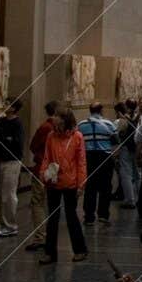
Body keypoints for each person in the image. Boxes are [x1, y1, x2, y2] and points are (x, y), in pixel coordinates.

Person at [39, 107, 87, 264]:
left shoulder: (77, 137)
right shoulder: (51, 136)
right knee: (52, 217)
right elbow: (46, 157)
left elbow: (81, 162)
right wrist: (43, 175)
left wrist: (81, 184)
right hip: (53, 181)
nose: (55, 122)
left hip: (71, 182)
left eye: (58, 120)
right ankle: (50, 253)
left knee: (71, 216)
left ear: (65, 121)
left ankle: (80, 250)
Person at [79, 102, 118, 225]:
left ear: (90, 110)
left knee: (90, 187)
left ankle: (89, 217)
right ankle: (103, 215)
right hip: (105, 157)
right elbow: (115, 141)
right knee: (105, 187)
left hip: (88, 157)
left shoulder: (81, 125)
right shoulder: (108, 124)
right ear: (101, 111)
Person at [26, 100, 56, 252]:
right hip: (55, 169)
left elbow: (33, 146)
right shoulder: (62, 128)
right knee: (50, 201)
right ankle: (49, 235)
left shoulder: (45, 127)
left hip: (42, 168)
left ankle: (40, 236)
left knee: (37, 201)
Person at [0, 98, 24, 237]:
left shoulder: (17, 124)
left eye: (7, 104)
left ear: (14, 108)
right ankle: (1, 224)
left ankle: (10, 225)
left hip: (12, 161)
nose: (4, 106)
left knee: (8, 194)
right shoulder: (0, 122)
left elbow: (16, 143)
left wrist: (5, 139)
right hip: (0, 160)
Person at [114, 101, 138, 209]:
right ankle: (138, 197)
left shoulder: (123, 120)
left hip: (126, 148)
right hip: (135, 148)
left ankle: (130, 199)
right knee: (136, 174)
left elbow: (119, 134)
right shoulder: (138, 118)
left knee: (126, 174)